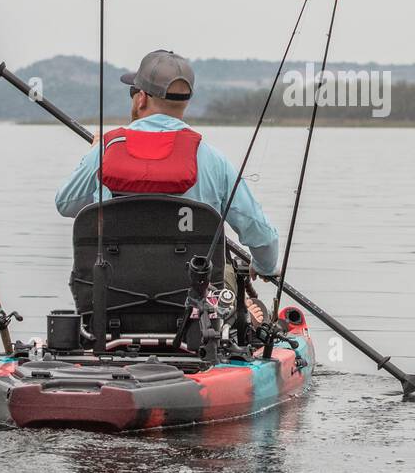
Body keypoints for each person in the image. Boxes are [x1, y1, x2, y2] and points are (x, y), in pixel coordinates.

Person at [55, 50, 279, 319]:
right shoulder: (213, 159)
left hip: (111, 308)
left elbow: (66, 204)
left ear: (141, 98)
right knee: (230, 271)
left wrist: (94, 153)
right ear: (185, 104)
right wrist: (264, 267)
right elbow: (261, 235)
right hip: (198, 313)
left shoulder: (105, 151)